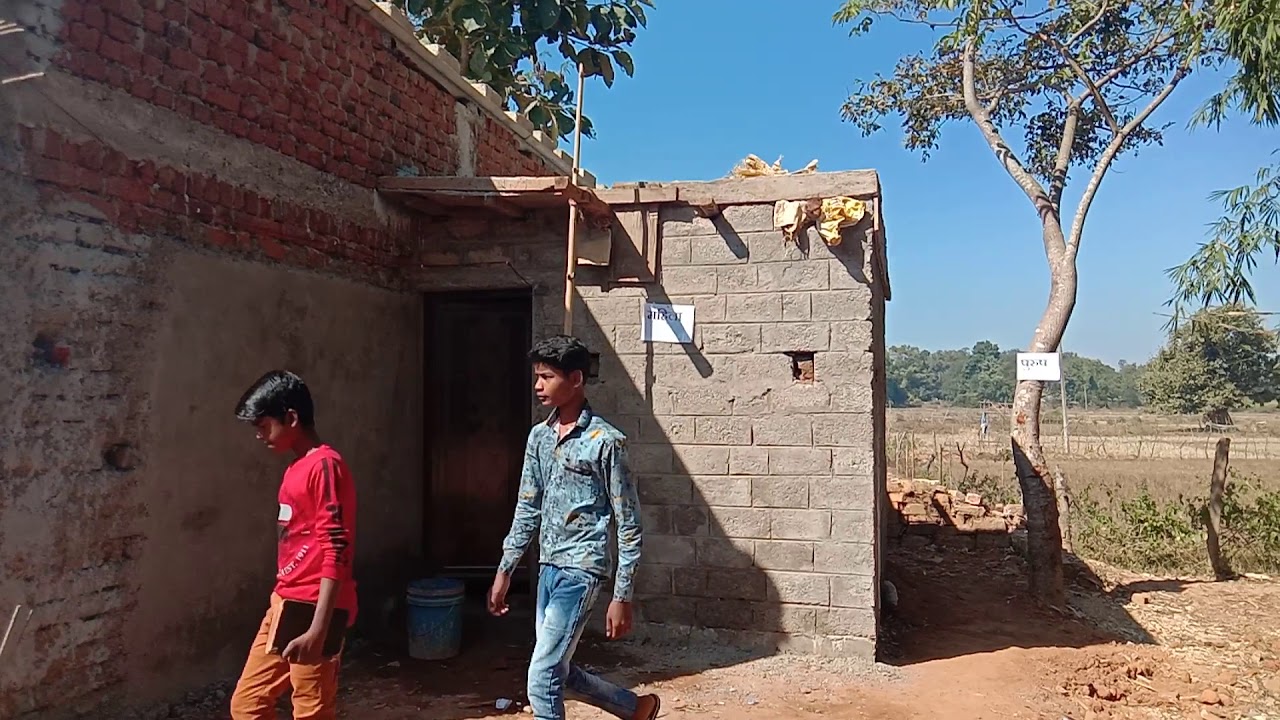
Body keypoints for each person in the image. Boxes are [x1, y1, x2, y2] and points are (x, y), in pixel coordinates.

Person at [488, 335, 661, 720]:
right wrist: (506, 569)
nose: (538, 386)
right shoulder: (539, 437)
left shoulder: (607, 443)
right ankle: (634, 708)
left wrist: (622, 593)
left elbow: (628, 522)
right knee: (557, 671)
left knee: (541, 676)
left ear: (577, 379)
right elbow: (527, 506)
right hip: (547, 568)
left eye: (547, 377)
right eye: (537, 376)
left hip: (582, 571)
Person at [228, 370, 357, 720]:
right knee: (247, 705)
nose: (259, 435)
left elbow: (336, 550)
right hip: (285, 602)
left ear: (291, 418)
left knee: (311, 711)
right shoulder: (296, 468)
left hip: (312, 607)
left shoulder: (325, 466)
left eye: (263, 425)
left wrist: (319, 628)